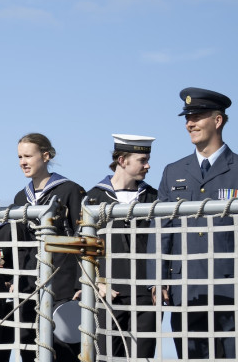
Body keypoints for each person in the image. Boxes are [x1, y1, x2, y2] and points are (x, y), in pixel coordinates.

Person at [155, 87, 238, 359]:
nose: (189, 124)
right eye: (187, 118)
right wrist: (157, 280)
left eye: (197, 117)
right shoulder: (173, 172)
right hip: (186, 293)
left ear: (218, 121)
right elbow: (162, 231)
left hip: (236, 293)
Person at [0, 134, 84, 362]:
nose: (23, 162)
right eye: (19, 157)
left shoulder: (70, 190)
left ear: (45, 156)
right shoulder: (20, 197)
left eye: (28, 156)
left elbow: (82, 239)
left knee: (65, 353)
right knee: (29, 351)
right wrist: (12, 278)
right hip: (29, 288)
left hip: (63, 287)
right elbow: (17, 244)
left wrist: (80, 283)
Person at [85, 134, 158, 360]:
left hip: (146, 295)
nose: (148, 165)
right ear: (122, 160)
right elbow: (82, 249)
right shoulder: (93, 198)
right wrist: (95, 282)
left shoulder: (154, 198)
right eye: (142, 160)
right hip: (108, 295)